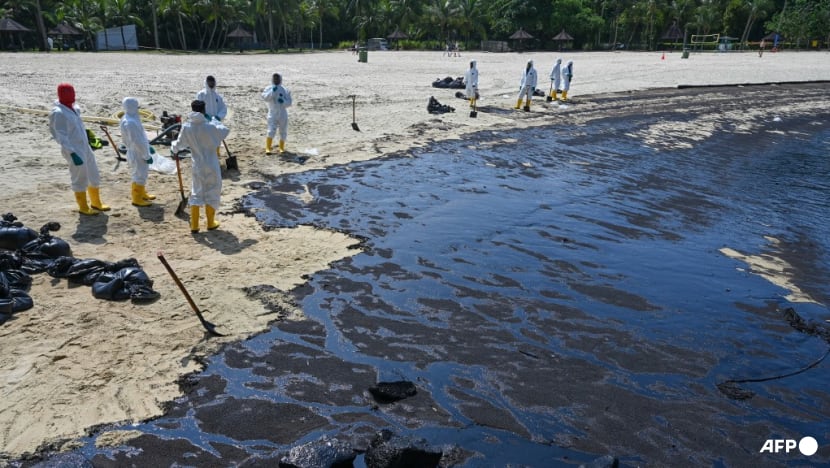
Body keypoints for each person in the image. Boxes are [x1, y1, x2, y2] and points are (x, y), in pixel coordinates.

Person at [48, 83, 110, 215]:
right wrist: (72, 153)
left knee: (93, 173)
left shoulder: (75, 108)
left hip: (85, 146)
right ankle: (83, 206)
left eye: (72, 92)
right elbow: (60, 135)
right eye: (67, 93)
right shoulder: (58, 113)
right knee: (79, 176)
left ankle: (96, 202)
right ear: (60, 95)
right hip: (73, 149)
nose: (72, 96)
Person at [171, 100, 230, 233]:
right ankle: (210, 222)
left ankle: (195, 225)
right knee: (212, 189)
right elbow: (225, 131)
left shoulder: (187, 127)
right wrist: (214, 120)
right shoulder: (210, 127)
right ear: (204, 110)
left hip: (197, 164)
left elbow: (179, 144)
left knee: (197, 191)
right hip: (211, 163)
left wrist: (174, 149)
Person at [119, 97, 156, 207]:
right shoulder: (130, 122)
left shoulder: (131, 118)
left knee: (141, 174)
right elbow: (137, 141)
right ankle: (137, 198)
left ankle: (141, 193)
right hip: (137, 152)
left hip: (139, 150)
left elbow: (141, 135)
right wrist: (146, 155)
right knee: (139, 175)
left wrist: (148, 146)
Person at [261, 73, 293, 154]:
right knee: (271, 130)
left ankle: (281, 147)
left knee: (283, 130)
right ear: (272, 79)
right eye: (274, 78)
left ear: (280, 79)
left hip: (282, 113)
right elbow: (265, 98)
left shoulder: (285, 90)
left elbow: (289, 103)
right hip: (272, 113)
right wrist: (272, 91)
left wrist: (283, 102)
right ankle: (268, 147)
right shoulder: (268, 88)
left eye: (277, 78)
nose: (276, 80)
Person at [196, 75, 227, 156]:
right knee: (205, 138)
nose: (211, 83)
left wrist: (218, 117)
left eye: (212, 81)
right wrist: (204, 115)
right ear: (206, 82)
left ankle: (216, 153)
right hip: (204, 121)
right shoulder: (201, 94)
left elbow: (223, 108)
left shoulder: (217, 96)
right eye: (209, 81)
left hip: (215, 121)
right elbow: (197, 107)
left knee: (216, 137)